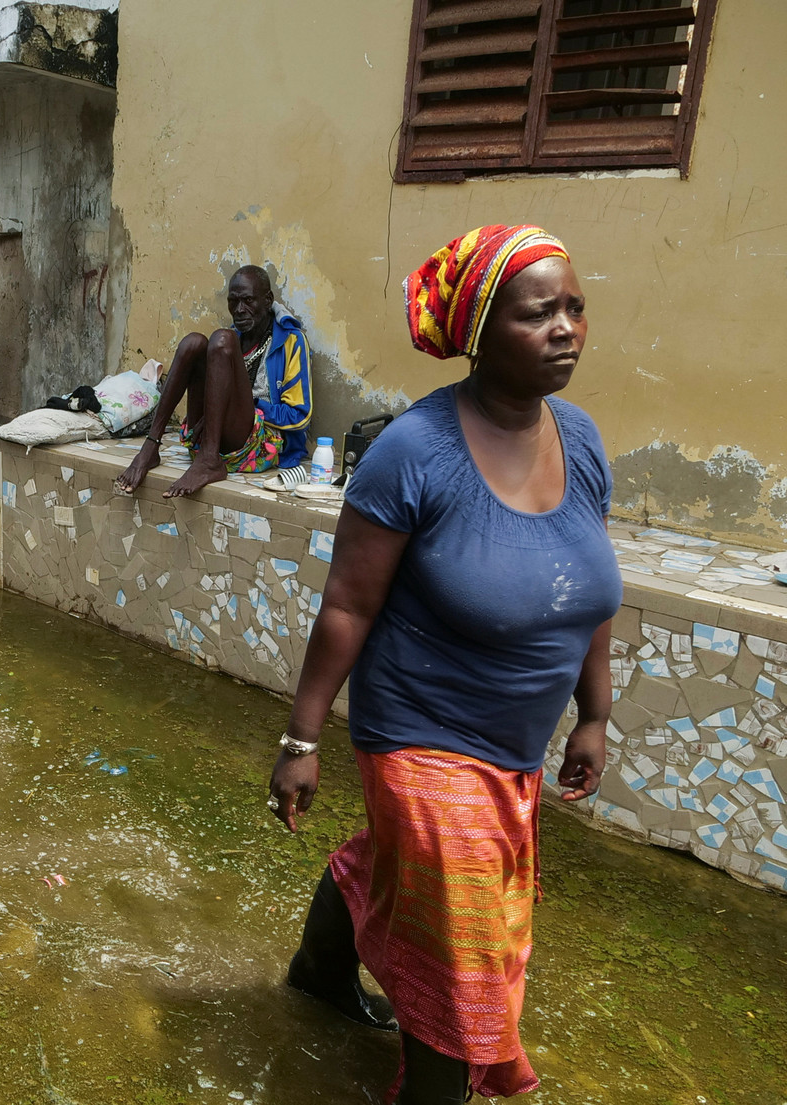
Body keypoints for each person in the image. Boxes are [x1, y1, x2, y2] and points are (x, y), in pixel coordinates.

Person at [266, 225, 622, 1103]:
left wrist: (595, 712)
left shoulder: (581, 442)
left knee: (401, 870)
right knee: (466, 962)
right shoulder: (413, 454)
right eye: (539, 313)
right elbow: (347, 605)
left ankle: (318, 968)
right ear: (479, 329)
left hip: (513, 748)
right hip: (420, 732)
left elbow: (587, 588)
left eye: (575, 307)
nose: (567, 328)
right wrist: (300, 736)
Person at [115, 265, 311, 498]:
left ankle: (209, 460)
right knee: (193, 343)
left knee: (220, 340)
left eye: (248, 300)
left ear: (268, 300)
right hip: (214, 439)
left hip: (260, 445)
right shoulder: (234, 336)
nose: (239, 310)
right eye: (233, 301)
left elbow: (299, 416)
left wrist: (253, 406)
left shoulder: (290, 340)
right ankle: (151, 445)